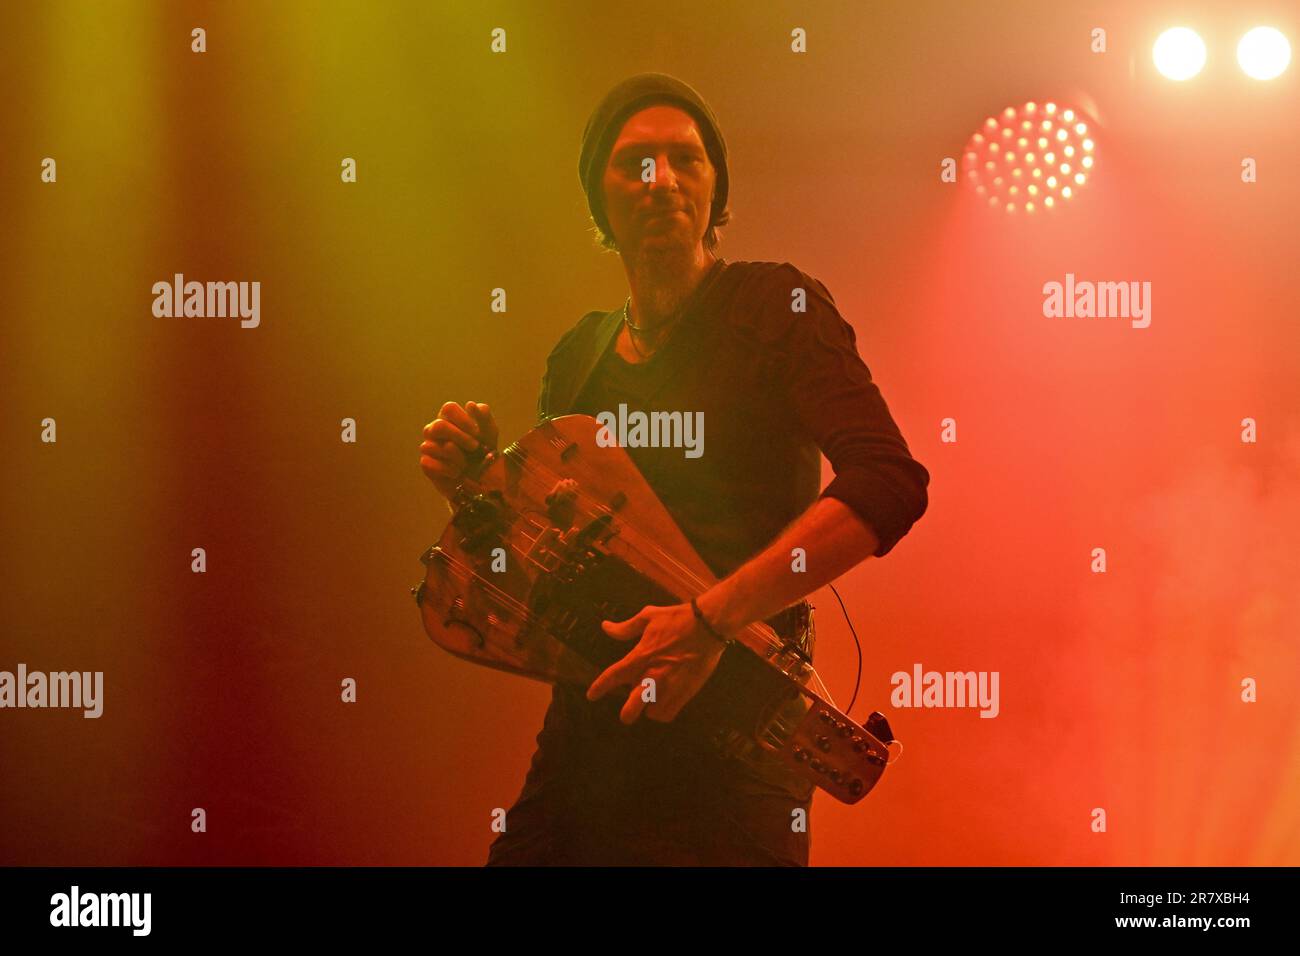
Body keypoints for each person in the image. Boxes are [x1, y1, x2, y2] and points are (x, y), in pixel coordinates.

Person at [419, 73, 930, 865]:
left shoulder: (776, 308)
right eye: (635, 163)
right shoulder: (578, 357)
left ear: (715, 185)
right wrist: (482, 492)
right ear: (600, 199)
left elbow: (889, 482)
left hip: (738, 740)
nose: (662, 181)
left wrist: (709, 621)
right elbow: (553, 567)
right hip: (587, 742)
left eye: (686, 160)